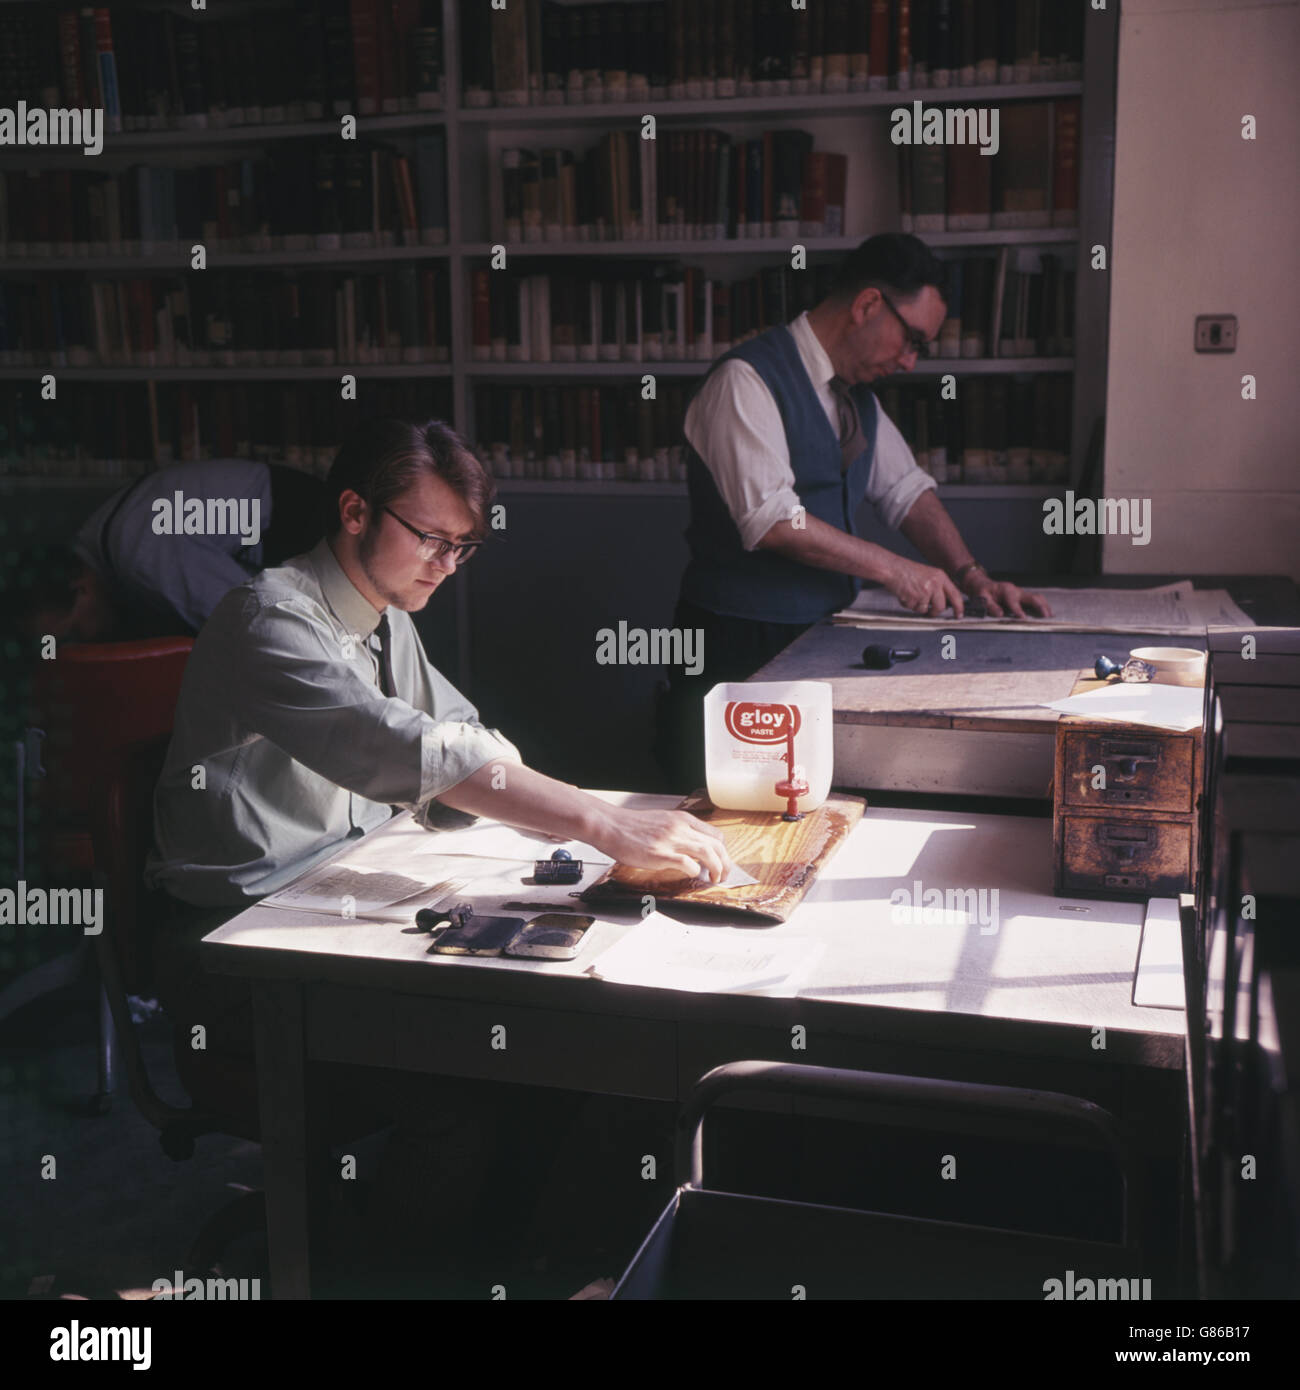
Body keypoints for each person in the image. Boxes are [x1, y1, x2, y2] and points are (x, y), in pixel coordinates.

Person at [144, 416, 731, 1291]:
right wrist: (600, 824)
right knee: (455, 1102)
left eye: (464, 548)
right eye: (431, 538)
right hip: (227, 948)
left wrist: (580, 818)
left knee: (557, 1050)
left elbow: (462, 735)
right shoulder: (264, 621)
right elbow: (408, 750)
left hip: (327, 910)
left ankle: (496, 1268)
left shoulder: (385, 616)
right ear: (352, 510)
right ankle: (394, 1279)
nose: (446, 567)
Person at [656, 233, 1053, 791]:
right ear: (867, 305)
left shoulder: (855, 397)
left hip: (819, 638)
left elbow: (906, 492)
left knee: (813, 803)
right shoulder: (744, 381)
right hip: (738, 644)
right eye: (911, 339)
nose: (911, 360)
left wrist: (974, 578)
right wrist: (896, 570)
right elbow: (771, 520)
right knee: (731, 813)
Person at [31, 457, 326, 643]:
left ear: (80, 587)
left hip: (300, 521)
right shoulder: (99, 538)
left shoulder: (138, 553)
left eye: (73, 631)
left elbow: (245, 616)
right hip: (279, 519)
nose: (85, 640)